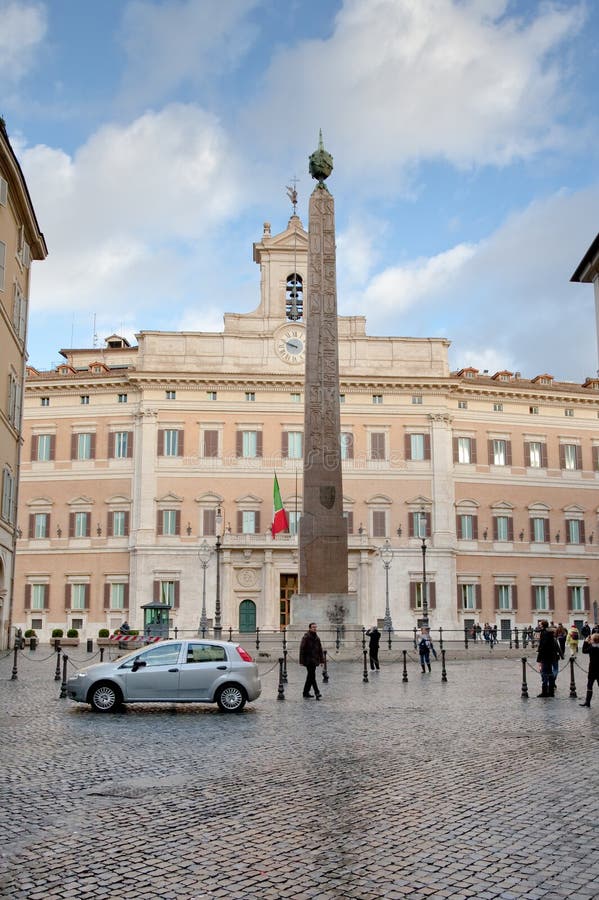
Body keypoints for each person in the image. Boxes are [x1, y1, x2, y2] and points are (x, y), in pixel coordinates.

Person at [299, 622, 324, 700]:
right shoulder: (306, 637)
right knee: (312, 676)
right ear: (309, 628)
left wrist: (322, 661)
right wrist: (301, 661)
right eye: (313, 627)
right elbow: (302, 649)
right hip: (308, 660)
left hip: (315, 660)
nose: (315, 628)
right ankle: (317, 692)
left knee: (310, 677)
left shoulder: (317, 638)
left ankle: (305, 692)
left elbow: (320, 650)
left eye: (315, 627)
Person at [536, 620, 559, 698]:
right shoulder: (548, 633)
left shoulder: (544, 633)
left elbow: (543, 645)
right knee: (549, 673)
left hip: (545, 656)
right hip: (550, 656)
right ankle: (551, 692)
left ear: (542, 625)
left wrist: (539, 656)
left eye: (540, 624)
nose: (539, 625)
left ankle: (545, 692)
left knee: (544, 673)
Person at [579, 632, 599, 708]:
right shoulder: (593, 647)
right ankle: (587, 702)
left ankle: (587, 702)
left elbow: (584, 650)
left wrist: (586, 641)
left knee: (589, 685)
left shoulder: (591, 647)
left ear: (593, 640)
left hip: (593, 669)